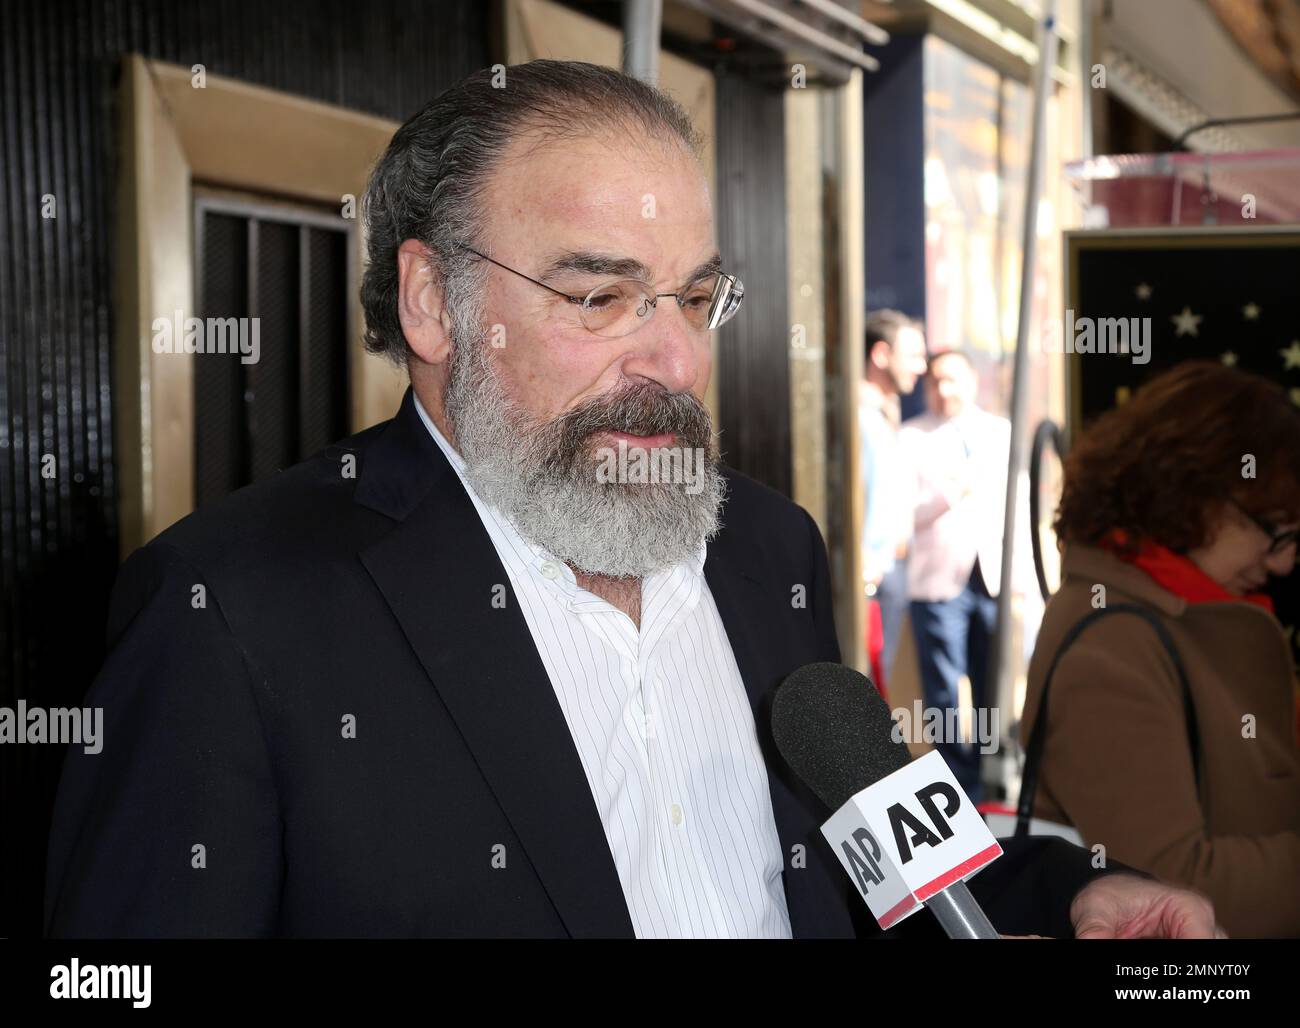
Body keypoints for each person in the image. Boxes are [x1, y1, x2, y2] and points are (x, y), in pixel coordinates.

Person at [45, 60, 1216, 939]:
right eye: (602, 299)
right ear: (433, 303)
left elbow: (879, 848)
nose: (674, 361)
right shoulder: (233, 608)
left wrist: (1067, 892)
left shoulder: (769, 545)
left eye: (693, 297)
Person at [1020, 361, 1300, 938]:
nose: (1285, 562)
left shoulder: (1180, 614)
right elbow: (1170, 887)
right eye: (1275, 530)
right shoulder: (1112, 645)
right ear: (1192, 497)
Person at [899, 351, 1011, 803]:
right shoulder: (910, 437)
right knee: (943, 690)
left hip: (992, 578)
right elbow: (903, 513)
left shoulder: (999, 432)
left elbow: (1015, 505)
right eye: (935, 382)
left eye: (952, 380)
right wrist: (952, 490)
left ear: (972, 381)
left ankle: (991, 774)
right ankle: (958, 786)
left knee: (992, 680)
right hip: (938, 581)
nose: (944, 390)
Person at [859, 310, 927, 691]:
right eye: (913, 355)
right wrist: (870, 563)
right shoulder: (860, 416)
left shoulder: (884, 414)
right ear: (881, 355)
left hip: (890, 571)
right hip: (875, 573)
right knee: (868, 684)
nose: (921, 367)